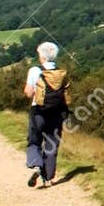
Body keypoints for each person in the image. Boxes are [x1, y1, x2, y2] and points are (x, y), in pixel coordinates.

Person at [24, 41, 70, 188]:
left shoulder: (35, 70)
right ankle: (48, 178)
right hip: (57, 113)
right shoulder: (61, 73)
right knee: (52, 144)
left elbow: (28, 92)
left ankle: (36, 163)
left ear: (42, 56)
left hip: (38, 111)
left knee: (34, 140)